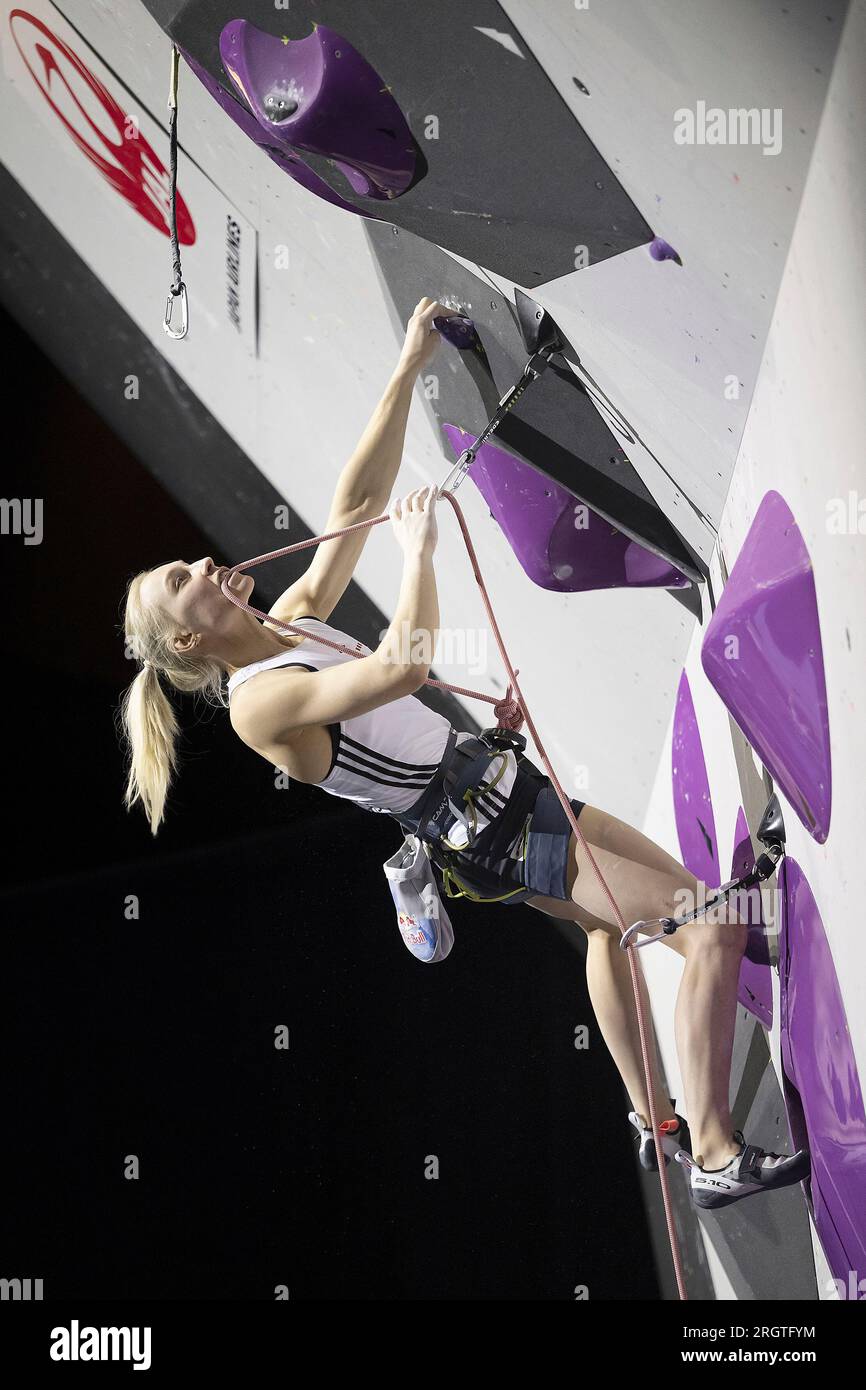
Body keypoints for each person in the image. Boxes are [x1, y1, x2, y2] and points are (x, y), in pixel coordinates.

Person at [117, 298, 809, 1211]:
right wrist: (420, 551)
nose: (204, 570)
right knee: (707, 926)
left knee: (610, 925)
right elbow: (402, 666)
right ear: (191, 647)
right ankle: (713, 1154)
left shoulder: (285, 627)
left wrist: (407, 366)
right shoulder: (260, 704)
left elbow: (352, 506)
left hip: (493, 787)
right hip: (485, 826)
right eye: (186, 586)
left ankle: (652, 1119)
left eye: (191, 565)